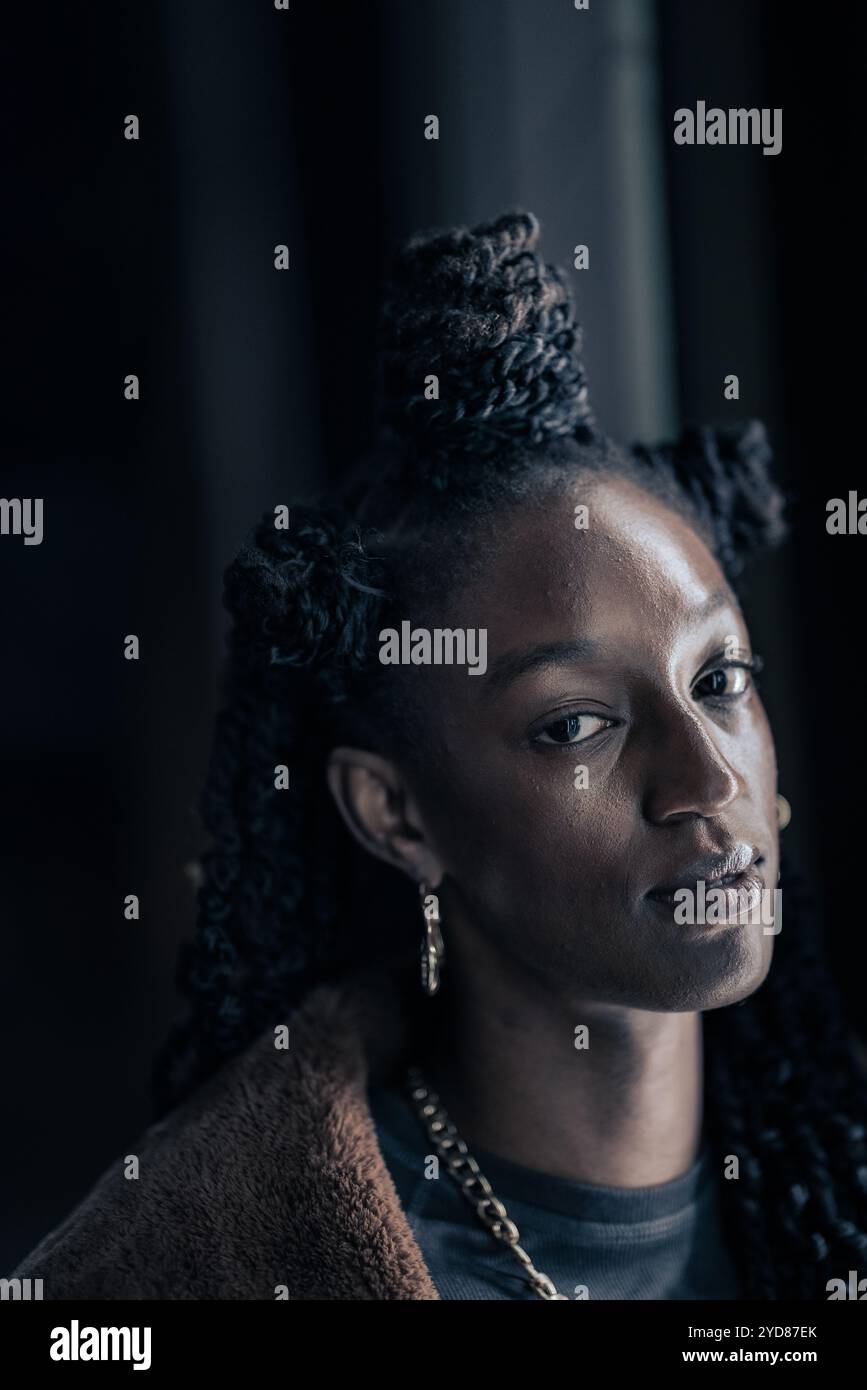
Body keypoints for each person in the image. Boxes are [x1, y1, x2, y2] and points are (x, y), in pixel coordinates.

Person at [11, 210, 867, 1300]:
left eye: (720, 683)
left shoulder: (831, 1189)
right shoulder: (185, 1274)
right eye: (574, 725)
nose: (710, 781)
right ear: (396, 815)